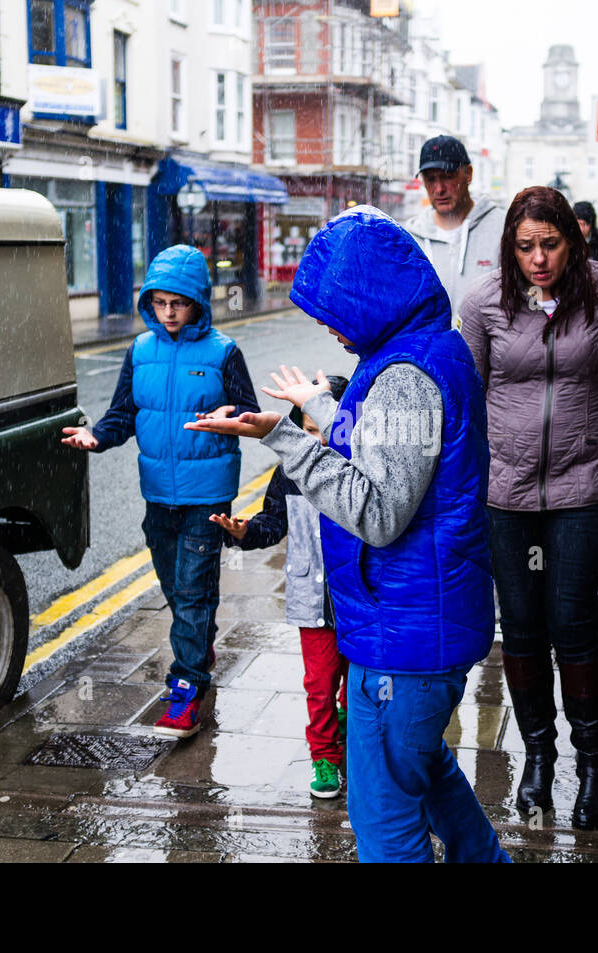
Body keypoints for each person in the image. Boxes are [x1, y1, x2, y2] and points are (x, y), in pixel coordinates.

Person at [187, 206, 510, 863]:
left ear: (368, 295)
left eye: (331, 306)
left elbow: (379, 509)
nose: (323, 323)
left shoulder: (404, 376)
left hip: (404, 638)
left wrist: (282, 439)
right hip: (423, 620)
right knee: (423, 774)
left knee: (385, 823)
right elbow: (388, 449)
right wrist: (318, 410)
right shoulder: (419, 349)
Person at [459, 186, 598, 830]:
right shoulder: (484, 302)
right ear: (509, 247)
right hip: (506, 491)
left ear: (573, 241)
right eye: (525, 246)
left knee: (572, 625)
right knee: (518, 629)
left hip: (581, 484)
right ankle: (539, 759)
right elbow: (466, 400)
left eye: (550, 244)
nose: (538, 258)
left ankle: (594, 767)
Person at [61, 245, 259, 738]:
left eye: (179, 303)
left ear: (198, 303)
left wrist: (230, 419)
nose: (168, 312)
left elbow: (250, 412)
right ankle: (198, 644)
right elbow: (122, 415)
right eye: (160, 303)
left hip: (206, 497)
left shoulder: (223, 352)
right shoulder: (140, 351)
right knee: (176, 589)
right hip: (158, 496)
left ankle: (187, 687)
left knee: (191, 593)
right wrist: (97, 437)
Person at [209, 375, 352, 799]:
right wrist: (243, 531)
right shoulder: (291, 471)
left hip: (361, 598)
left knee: (359, 684)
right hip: (313, 600)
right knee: (320, 684)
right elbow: (273, 524)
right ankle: (325, 758)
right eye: (308, 432)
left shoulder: (361, 468)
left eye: (327, 431)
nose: (318, 442)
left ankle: (350, 731)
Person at [403, 135, 504, 327]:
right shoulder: (409, 239)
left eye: (447, 177)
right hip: (429, 356)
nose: (439, 189)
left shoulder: (503, 229)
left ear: (468, 173)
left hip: (487, 355)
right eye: (430, 179)